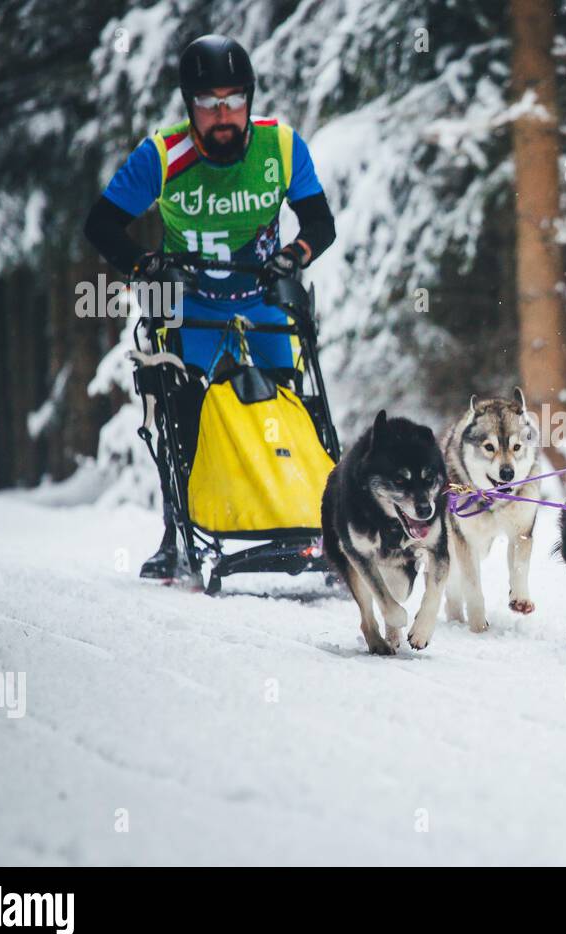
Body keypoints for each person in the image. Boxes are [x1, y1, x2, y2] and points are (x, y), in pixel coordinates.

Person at [84, 34, 336, 579]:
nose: (222, 115)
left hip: (261, 304)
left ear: (249, 99)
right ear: (188, 106)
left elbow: (321, 223)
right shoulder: (162, 155)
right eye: (208, 103)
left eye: (233, 100)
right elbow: (101, 224)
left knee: (285, 413)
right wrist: (144, 266)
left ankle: (305, 518)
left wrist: (296, 254)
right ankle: (179, 532)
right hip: (192, 308)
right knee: (185, 419)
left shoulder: (283, 148)